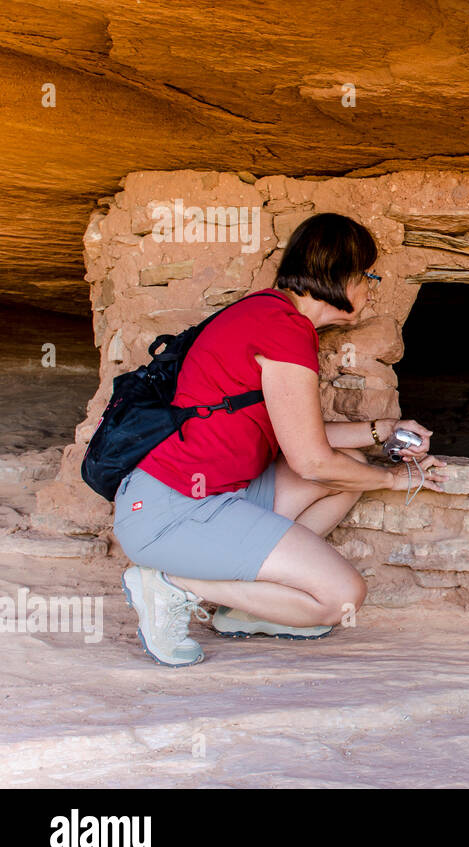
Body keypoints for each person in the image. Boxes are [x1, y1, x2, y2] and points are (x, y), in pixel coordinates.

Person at [114, 212, 445, 667]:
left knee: (346, 463)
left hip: (210, 495)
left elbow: (299, 434)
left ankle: (240, 605)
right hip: (173, 511)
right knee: (341, 600)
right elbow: (310, 461)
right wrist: (394, 480)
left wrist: (383, 431)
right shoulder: (284, 330)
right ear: (339, 274)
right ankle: (172, 586)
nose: (372, 287)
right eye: (368, 275)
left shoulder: (268, 313)